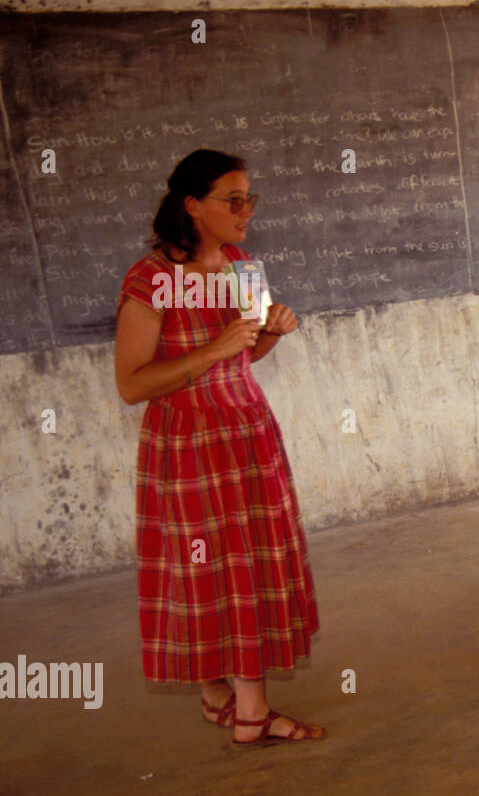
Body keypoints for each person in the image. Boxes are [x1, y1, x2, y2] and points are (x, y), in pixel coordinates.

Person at [113, 149, 323, 748]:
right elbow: (132, 385)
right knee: (208, 566)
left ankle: (218, 699)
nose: (246, 211)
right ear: (192, 206)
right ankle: (251, 714)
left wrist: (271, 335)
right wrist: (213, 348)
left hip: (248, 429)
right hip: (188, 441)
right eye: (233, 200)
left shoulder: (242, 266)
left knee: (251, 560)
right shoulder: (151, 280)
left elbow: (245, 352)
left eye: (250, 198)